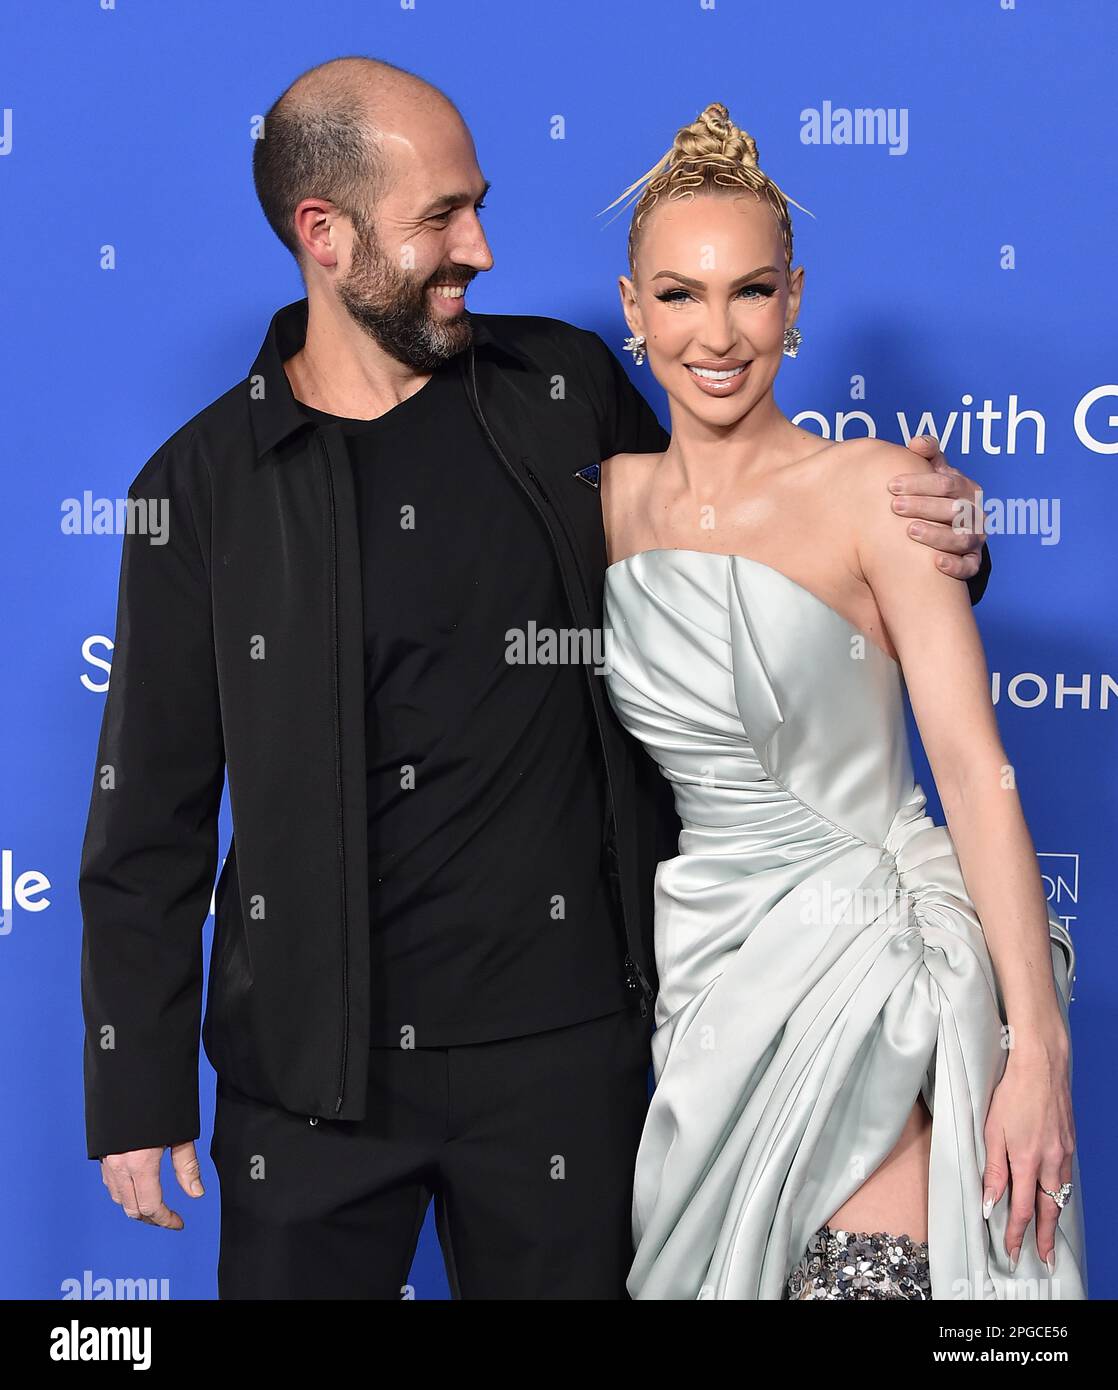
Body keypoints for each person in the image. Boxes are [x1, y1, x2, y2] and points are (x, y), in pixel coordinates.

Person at [78, 61, 991, 1300]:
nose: (484, 248)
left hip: (570, 1067)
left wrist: (937, 544)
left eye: (479, 205)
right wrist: (135, 1090)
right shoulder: (193, 491)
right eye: (442, 218)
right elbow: (150, 822)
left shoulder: (559, 393)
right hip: (309, 1088)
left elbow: (735, 549)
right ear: (324, 235)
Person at [598, 102, 1086, 1300]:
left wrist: (1037, 1051)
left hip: (878, 963)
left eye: (749, 292)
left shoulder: (878, 493)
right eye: (678, 295)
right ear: (630, 310)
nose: (715, 333)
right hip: (710, 972)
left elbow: (974, 772)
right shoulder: (600, 501)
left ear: (796, 302)